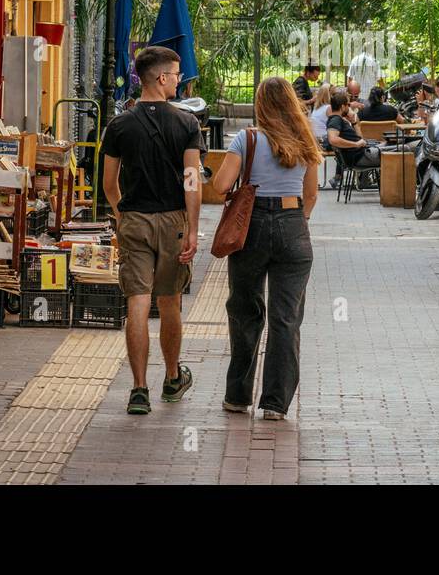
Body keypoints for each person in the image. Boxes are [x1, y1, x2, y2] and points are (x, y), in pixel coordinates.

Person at [211, 77, 321, 421]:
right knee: (285, 318)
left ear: (260, 104)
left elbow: (221, 185)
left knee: (245, 311)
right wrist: (294, 220)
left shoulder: (247, 138)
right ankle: (275, 404)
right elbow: (312, 195)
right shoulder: (306, 139)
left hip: (252, 227)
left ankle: (238, 396)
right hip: (293, 226)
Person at [101, 46, 202, 415]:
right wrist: (192, 227)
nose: (179, 80)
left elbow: (109, 183)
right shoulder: (187, 124)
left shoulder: (119, 125)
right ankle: (173, 377)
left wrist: (120, 213)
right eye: (176, 74)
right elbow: (192, 181)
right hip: (174, 220)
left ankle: (139, 389)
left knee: (137, 303)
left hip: (134, 221)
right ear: (161, 78)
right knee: (170, 300)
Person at [326, 90, 381, 170]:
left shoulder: (340, 120)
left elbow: (360, 138)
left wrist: (354, 123)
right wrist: (356, 144)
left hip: (361, 154)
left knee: (394, 148)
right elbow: (333, 139)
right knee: (398, 152)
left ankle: (366, 182)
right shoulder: (335, 120)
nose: (349, 107)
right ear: (342, 107)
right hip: (360, 157)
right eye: (348, 105)